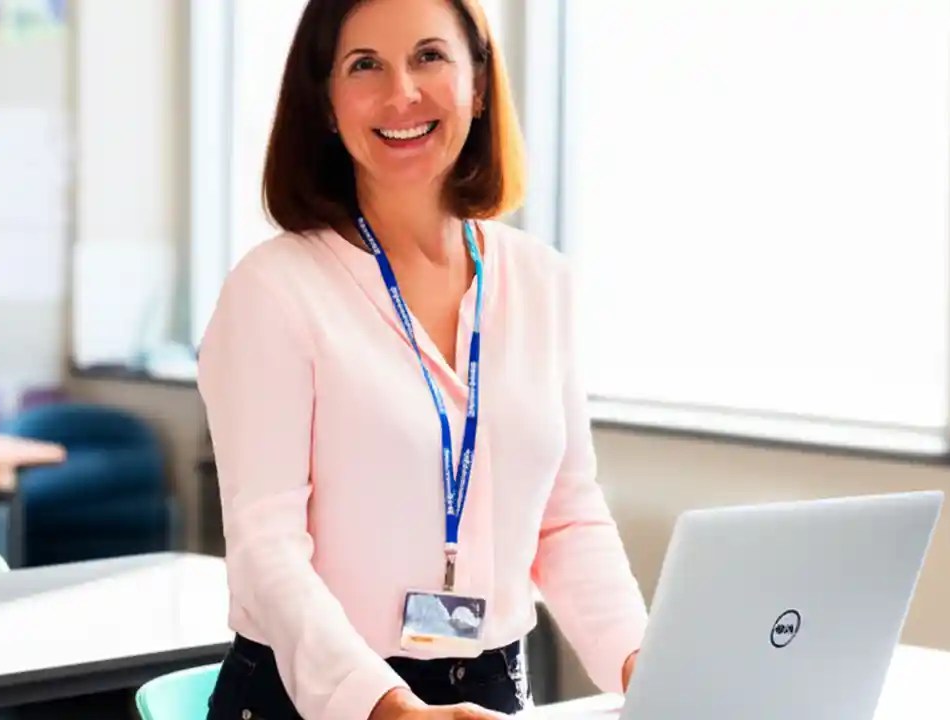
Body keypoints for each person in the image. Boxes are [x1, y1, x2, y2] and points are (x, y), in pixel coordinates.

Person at [196, 0, 649, 718]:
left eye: (429, 57)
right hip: (322, 696)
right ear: (325, 102)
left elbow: (566, 519)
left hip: (493, 687)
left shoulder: (540, 281)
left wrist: (646, 663)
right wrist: (388, 708)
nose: (401, 92)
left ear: (477, 83)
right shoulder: (274, 291)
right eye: (364, 65)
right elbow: (266, 553)